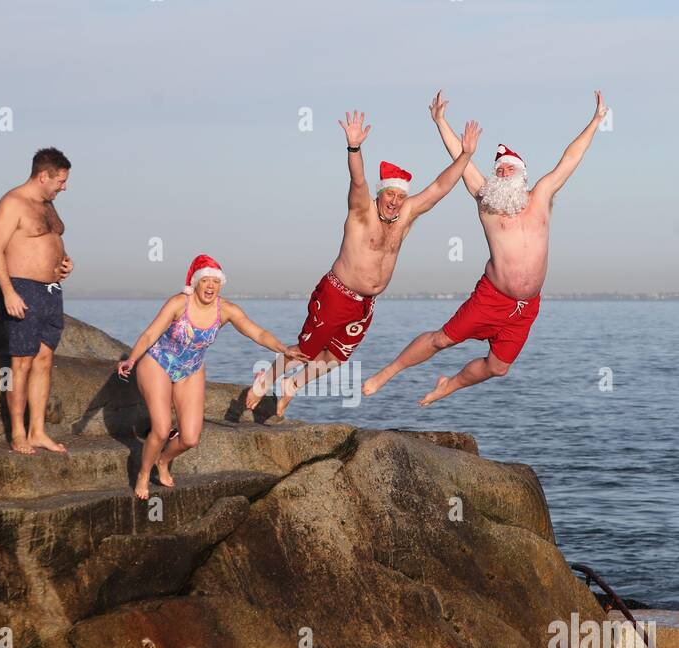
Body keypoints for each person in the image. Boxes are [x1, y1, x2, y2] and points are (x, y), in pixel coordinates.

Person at [363, 90, 608, 405]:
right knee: (442, 340)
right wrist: (440, 121)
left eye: (510, 169)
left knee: (498, 367)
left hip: (526, 307)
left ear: (522, 174)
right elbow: (461, 161)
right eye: (500, 169)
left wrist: (596, 120)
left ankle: (448, 385)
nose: (504, 172)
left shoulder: (541, 197)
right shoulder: (486, 200)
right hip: (492, 297)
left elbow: (570, 158)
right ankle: (387, 373)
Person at [244, 109, 480, 416]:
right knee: (306, 350)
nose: (395, 201)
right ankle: (265, 381)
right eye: (389, 195)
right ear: (380, 194)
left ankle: (292, 387)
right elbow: (358, 180)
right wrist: (354, 148)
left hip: (366, 303)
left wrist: (466, 154)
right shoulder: (361, 212)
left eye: (399, 195)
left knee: (335, 358)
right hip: (336, 293)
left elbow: (439, 188)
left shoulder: (405, 216)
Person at [118, 255, 300, 500]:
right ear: (196, 282)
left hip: (190, 370)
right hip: (158, 363)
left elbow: (257, 332)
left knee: (190, 438)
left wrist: (283, 349)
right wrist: (132, 358)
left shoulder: (226, 310)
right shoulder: (179, 303)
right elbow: (151, 334)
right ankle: (143, 473)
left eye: (216, 281)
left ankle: (163, 460)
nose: (211, 286)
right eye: (206, 280)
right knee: (161, 430)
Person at [0, 147, 75, 454]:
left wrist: (65, 263)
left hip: (51, 291)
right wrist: (8, 291)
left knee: (44, 360)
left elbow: (48, 243)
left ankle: (38, 430)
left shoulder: (48, 205)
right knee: (20, 364)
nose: (64, 187)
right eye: (60, 181)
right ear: (43, 176)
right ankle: (18, 433)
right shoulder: (12, 203)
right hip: (23, 289)